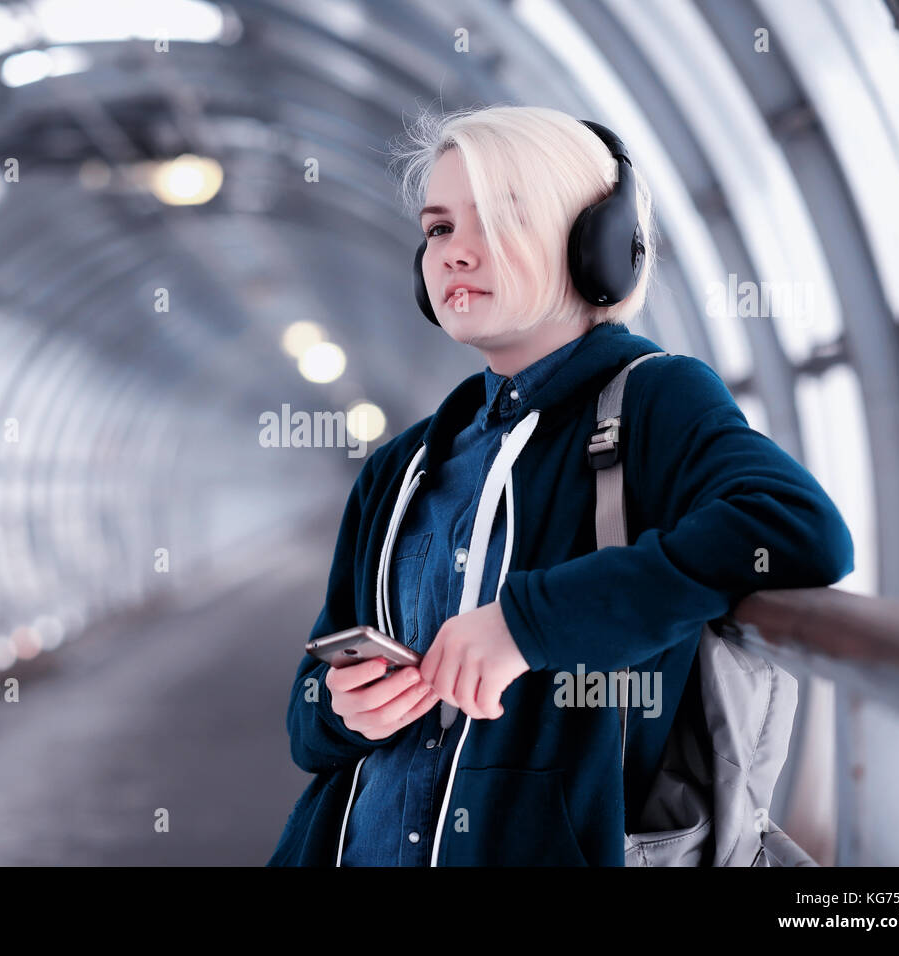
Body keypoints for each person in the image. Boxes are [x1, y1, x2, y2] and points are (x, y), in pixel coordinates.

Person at [267, 105, 854, 866]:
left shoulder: (653, 402)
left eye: (501, 220)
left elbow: (795, 528)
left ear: (597, 248)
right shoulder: (400, 468)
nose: (454, 253)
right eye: (440, 227)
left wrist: (525, 626)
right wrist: (343, 710)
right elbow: (305, 716)